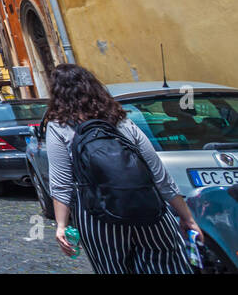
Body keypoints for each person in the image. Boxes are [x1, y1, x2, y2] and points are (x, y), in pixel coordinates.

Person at [45, 64, 199, 274]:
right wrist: (187, 217)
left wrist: (61, 225)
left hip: (98, 217)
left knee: (112, 269)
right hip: (148, 210)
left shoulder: (58, 126)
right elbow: (158, 173)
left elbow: (61, 184)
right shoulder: (119, 119)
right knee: (168, 265)